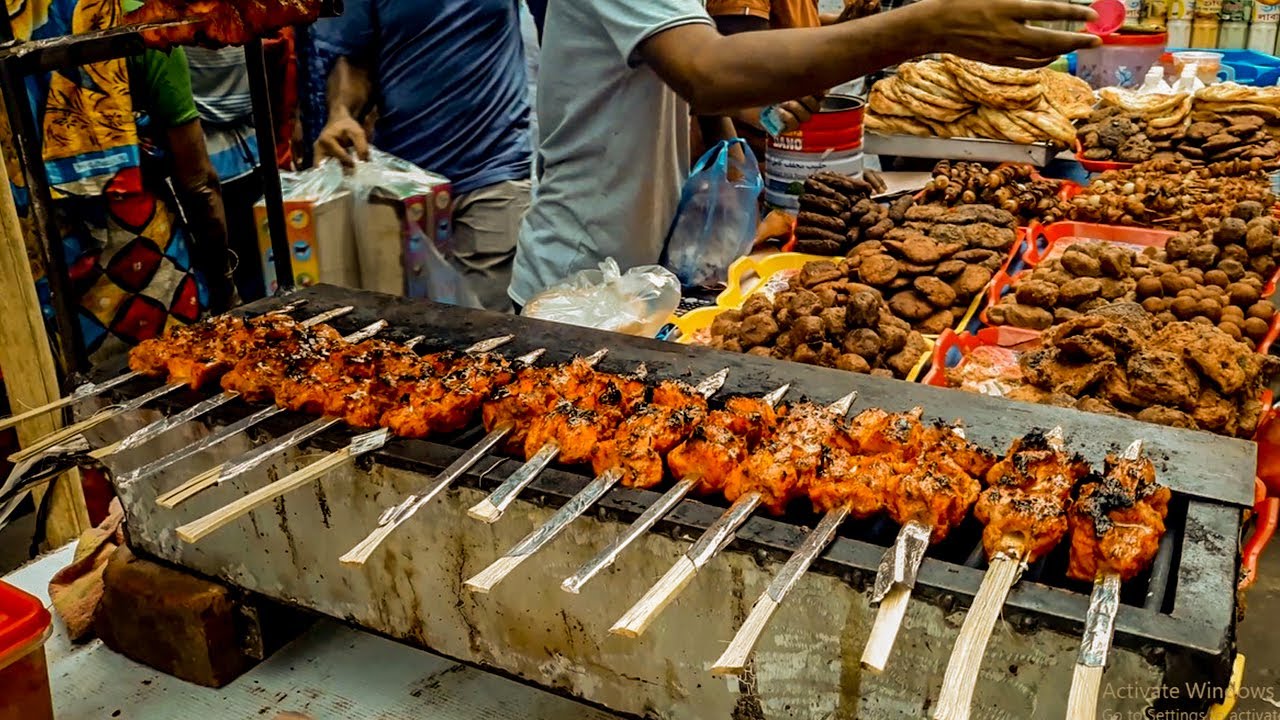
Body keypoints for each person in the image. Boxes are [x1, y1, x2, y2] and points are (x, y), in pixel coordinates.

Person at [509, 0, 1101, 308]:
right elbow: (704, 69)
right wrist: (927, 27)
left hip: (642, 278)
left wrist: (739, 104)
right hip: (578, 291)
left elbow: (659, 77)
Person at [5, 0, 234, 364]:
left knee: (81, 403)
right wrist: (225, 287)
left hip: (37, 282)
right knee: (173, 389)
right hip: (148, 280)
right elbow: (199, 185)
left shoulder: (11, 31)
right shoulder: (143, 22)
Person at [312, 0, 533, 313]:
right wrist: (341, 114)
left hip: (495, 169)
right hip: (404, 187)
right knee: (408, 326)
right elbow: (353, 59)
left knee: (486, 327)